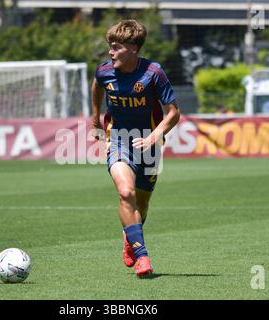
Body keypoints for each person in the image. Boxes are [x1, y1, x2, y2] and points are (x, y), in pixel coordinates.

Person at [91, 19, 180, 277]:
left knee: (141, 202)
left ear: (133, 48)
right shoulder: (105, 71)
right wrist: (96, 118)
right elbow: (98, 85)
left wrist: (154, 136)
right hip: (118, 138)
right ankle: (143, 256)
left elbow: (174, 113)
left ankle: (129, 236)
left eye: (116, 47)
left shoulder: (153, 72)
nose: (111, 52)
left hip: (150, 144)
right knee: (126, 192)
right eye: (110, 46)